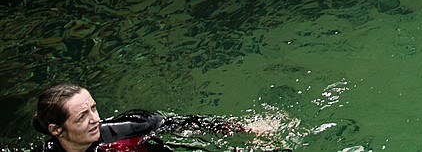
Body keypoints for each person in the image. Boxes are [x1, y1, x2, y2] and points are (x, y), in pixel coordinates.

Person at [30, 83, 260, 152]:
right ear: (55, 129)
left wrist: (242, 128)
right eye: (82, 116)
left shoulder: (125, 130)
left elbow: (180, 123)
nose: (96, 119)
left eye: (94, 108)